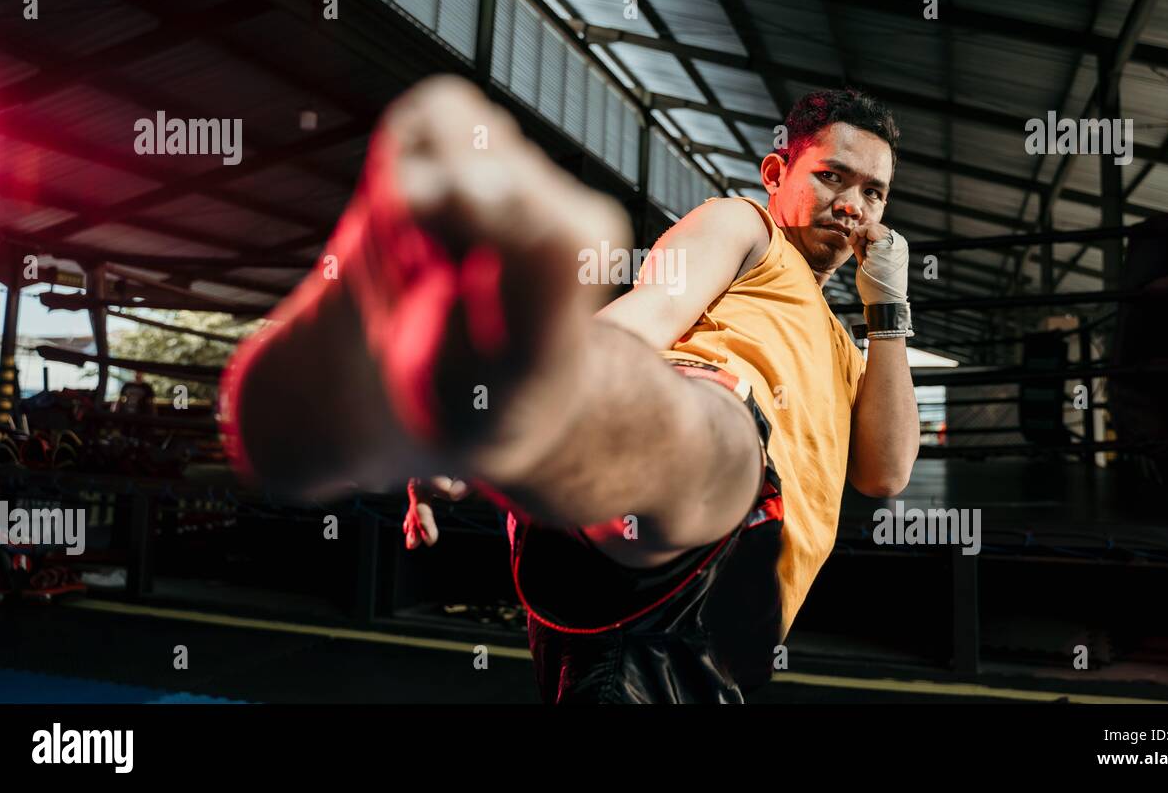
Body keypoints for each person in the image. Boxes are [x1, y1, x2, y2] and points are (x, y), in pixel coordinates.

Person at [220, 77, 920, 702]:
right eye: (833, 176)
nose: (853, 205)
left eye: (874, 192)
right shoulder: (747, 227)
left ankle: (492, 414)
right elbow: (652, 314)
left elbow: (885, 472)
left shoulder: (844, 347)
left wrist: (888, 313)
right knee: (725, 437)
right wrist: (537, 365)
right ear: (776, 171)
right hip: (664, 501)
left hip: (716, 631)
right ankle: (520, 398)